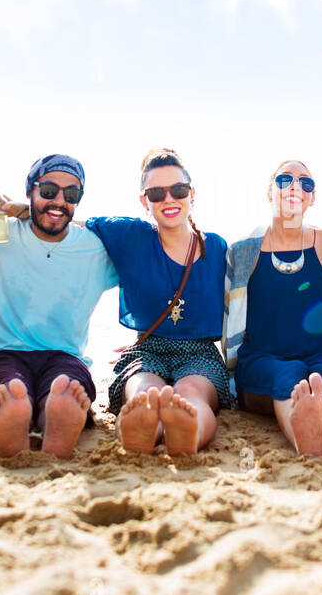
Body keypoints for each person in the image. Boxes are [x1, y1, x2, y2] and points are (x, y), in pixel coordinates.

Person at [0, 154, 117, 459]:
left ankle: (54, 419)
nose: (59, 201)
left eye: (70, 195)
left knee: (65, 387)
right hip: (5, 352)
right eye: (48, 191)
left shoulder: (95, 247)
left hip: (66, 356)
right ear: (30, 191)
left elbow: (147, 256)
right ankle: (14, 422)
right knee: (7, 387)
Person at [85, 149, 230, 456]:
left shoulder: (215, 248)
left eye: (178, 190)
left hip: (200, 350)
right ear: (144, 201)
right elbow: (68, 220)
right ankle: (146, 427)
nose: (169, 200)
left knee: (189, 394)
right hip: (148, 348)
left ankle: (188, 433)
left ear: (192, 194)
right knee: (144, 390)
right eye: (156, 193)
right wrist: (20, 208)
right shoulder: (133, 236)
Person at [225, 159, 322, 459]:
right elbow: (211, 301)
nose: (295, 186)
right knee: (289, 375)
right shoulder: (245, 249)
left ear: (312, 198)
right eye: (284, 180)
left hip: (319, 353)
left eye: (306, 183)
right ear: (269, 193)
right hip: (262, 359)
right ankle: (306, 442)